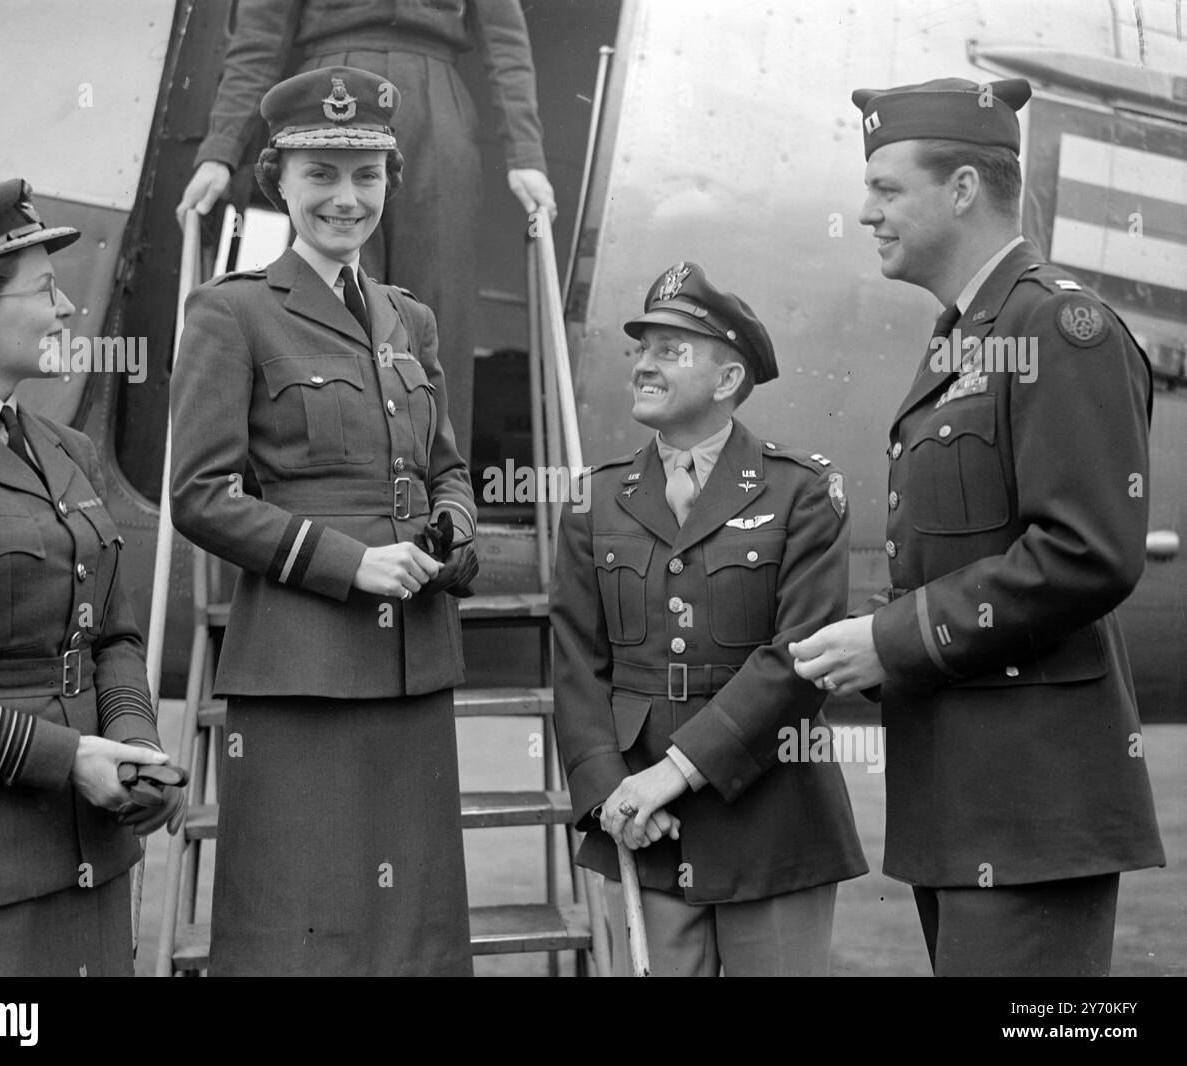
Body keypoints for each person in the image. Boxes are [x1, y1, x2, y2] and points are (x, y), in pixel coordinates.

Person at [789, 78, 1166, 976]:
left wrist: (894, 638)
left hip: (1033, 808)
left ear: (962, 188)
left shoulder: (1058, 325)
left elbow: (1087, 552)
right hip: (964, 801)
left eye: (887, 189)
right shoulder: (969, 336)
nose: (866, 212)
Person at [169, 66, 479, 976]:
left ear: (388, 182)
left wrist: (450, 537)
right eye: (321, 176)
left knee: (414, 939)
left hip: (415, 665)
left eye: (367, 177)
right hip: (302, 666)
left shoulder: (409, 320)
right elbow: (201, 494)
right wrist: (355, 564)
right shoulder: (231, 313)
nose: (347, 200)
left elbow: (447, 469)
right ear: (280, 183)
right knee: (295, 931)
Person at [0, 179, 184, 977]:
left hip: (89, 864)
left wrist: (134, 744)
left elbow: (114, 636)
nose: (65, 310)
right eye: (45, 289)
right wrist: (65, 758)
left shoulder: (69, 451)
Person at [551, 262, 867, 977]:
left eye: (670, 350)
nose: (644, 367)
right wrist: (608, 792)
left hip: (772, 827)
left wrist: (672, 774)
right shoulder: (593, 503)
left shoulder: (803, 492)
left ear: (727, 381)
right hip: (645, 830)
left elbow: (799, 660)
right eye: (641, 349)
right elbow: (576, 666)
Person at [175, 0, 557, 465]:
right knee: (326, 308)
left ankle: (439, 496)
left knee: (438, 313)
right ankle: (333, 489)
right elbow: (260, 36)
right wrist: (221, 150)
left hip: (438, 104)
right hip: (329, 98)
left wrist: (526, 155)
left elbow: (506, 40)